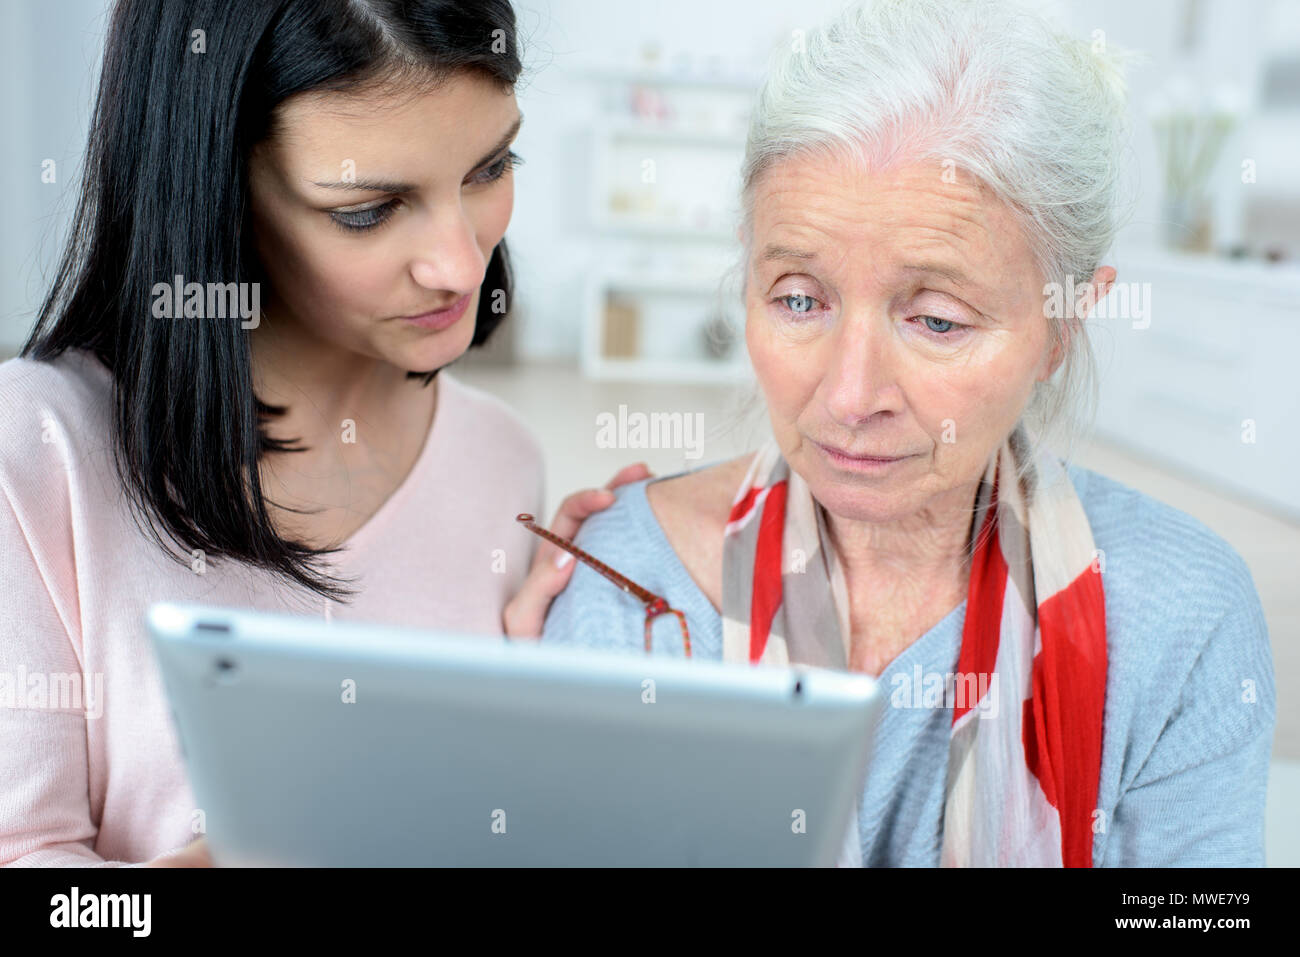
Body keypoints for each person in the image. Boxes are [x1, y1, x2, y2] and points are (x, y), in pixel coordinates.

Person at [540, 0, 1276, 866]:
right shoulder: (624, 580)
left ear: (1065, 323)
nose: (850, 396)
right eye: (799, 299)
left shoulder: (1183, 612)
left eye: (935, 320)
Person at [0, 0, 640, 867]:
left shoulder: (501, 457)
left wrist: (535, 709)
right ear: (214, 182)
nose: (459, 262)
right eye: (370, 209)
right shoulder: (36, 452)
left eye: (491, 166)